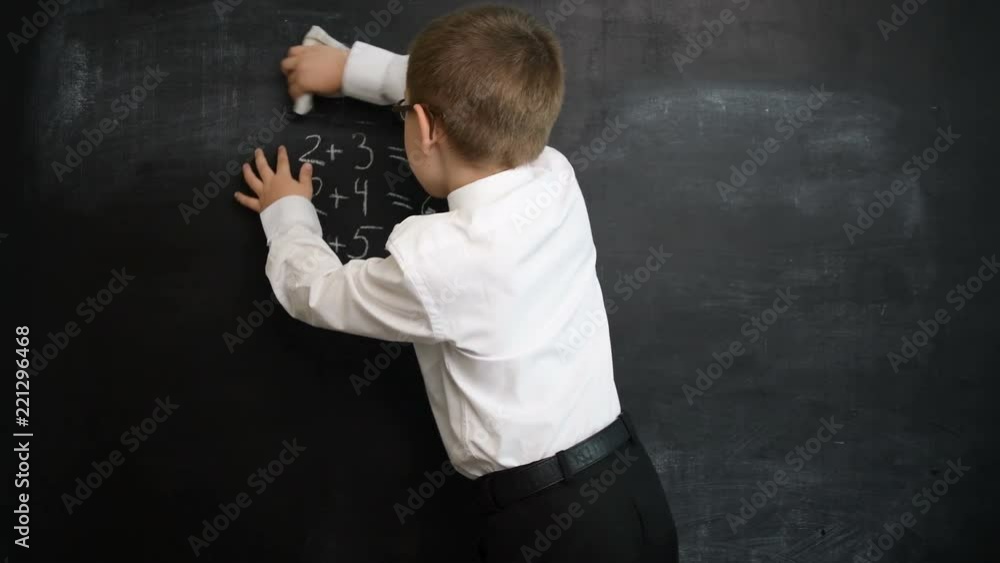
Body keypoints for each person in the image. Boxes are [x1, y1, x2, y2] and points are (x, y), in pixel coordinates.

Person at [235, 5, 678, 562]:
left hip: (552, 529)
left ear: (423, 126)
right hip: (632, 493)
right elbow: (482, 93)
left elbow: (314, 293)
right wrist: (350, 69)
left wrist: (289, 213)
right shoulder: (554, 176)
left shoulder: (438, 260)